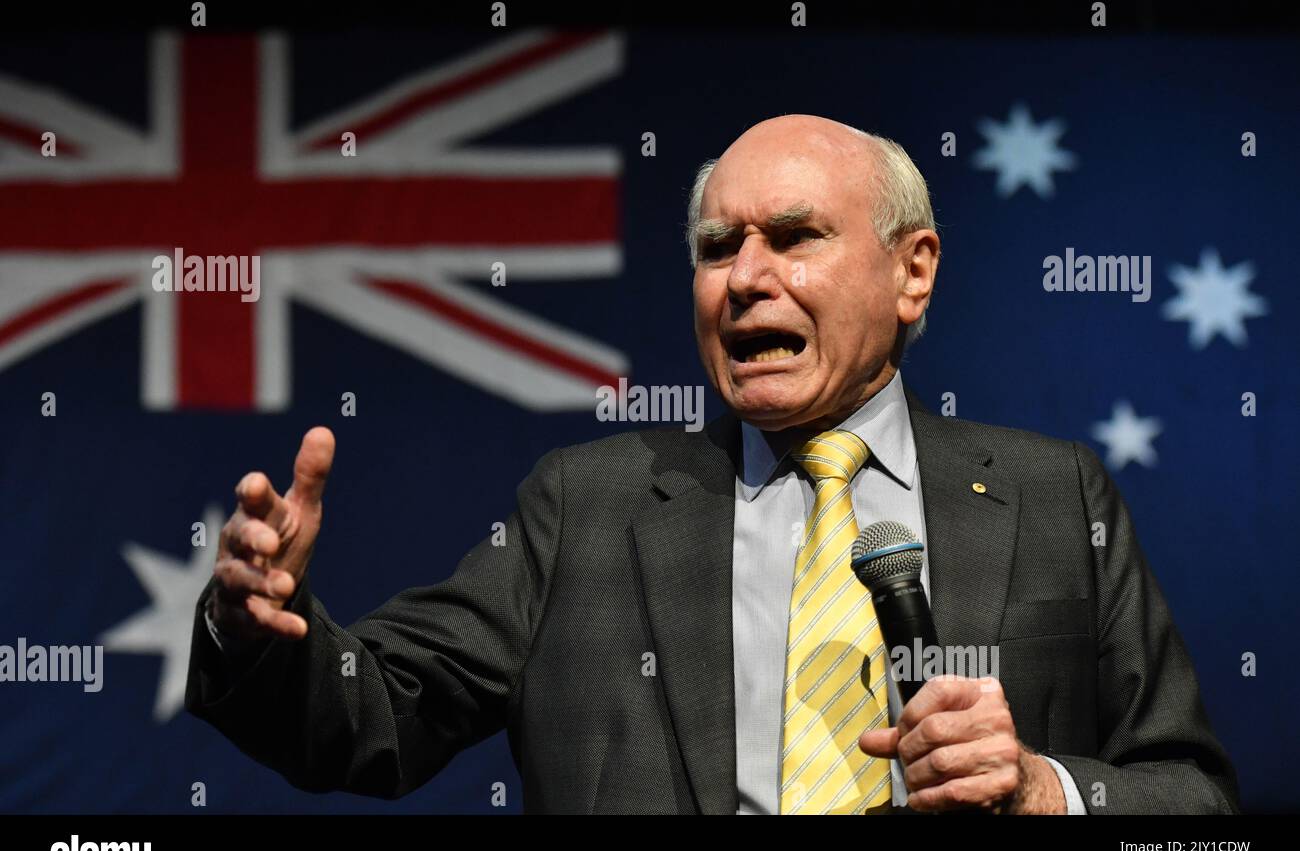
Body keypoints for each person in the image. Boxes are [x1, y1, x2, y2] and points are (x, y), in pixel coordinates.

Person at [186, 114, 1238, 814]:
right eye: (715, 246)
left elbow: (1195, 818)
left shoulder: (1056, 497)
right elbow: (371, 720)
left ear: (912, 272)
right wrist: (260, 634)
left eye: (792, 236)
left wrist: (1046, 791)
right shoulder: (585, 507)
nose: (744, 279)